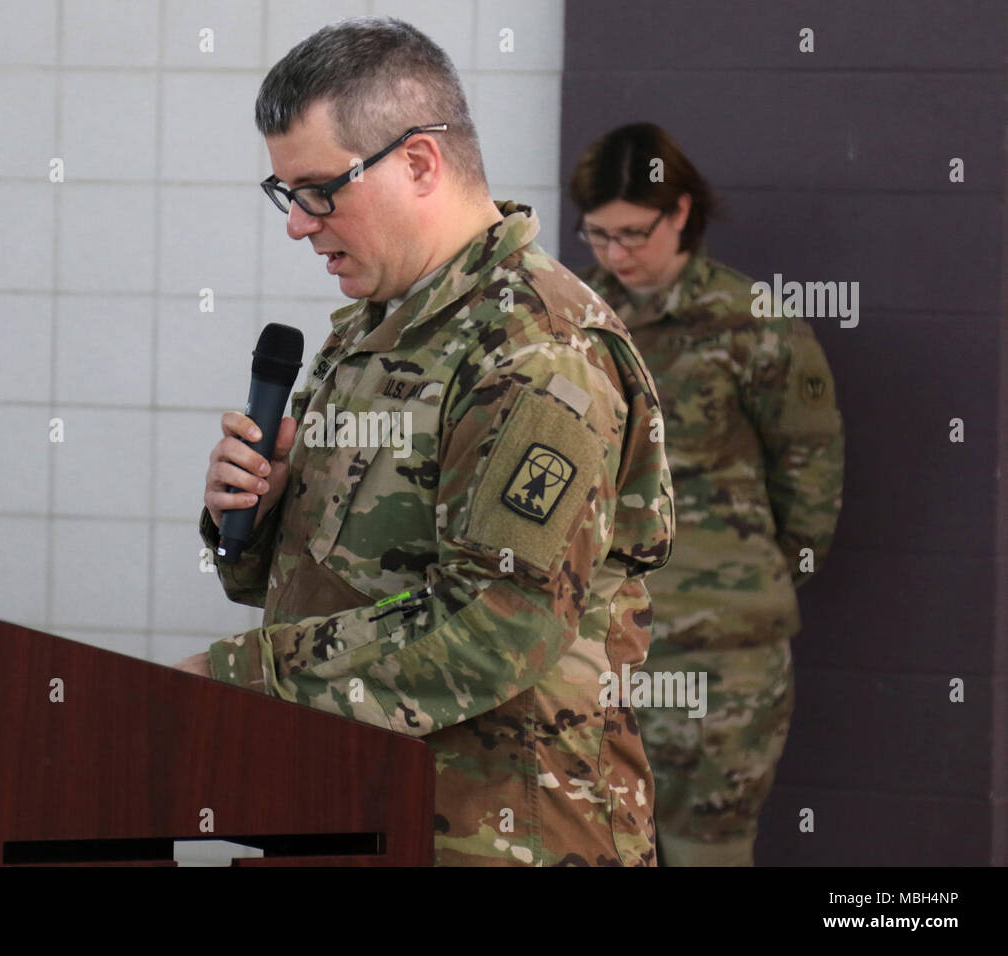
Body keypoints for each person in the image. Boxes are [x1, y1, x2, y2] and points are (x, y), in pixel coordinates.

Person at [177, 18, 675, 867]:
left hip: (503, 835)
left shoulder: (538, 349)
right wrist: (256, 518)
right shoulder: (379, 328)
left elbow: (495, 625)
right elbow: (335, 582)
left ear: (417, 163)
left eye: (317, 189)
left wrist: (240, 683)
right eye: (286, 193)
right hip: (362, 808)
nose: (298, 225)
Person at [569, 122, 845, 866]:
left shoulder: (753, 322)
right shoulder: (571, 319)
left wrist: (756, 577)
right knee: (594, 845)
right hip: (596, 645)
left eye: (634, 233)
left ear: (681, 212)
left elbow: (811, 472)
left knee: (706, 851)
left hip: (723, 655)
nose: (617, 254)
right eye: (597, 236)